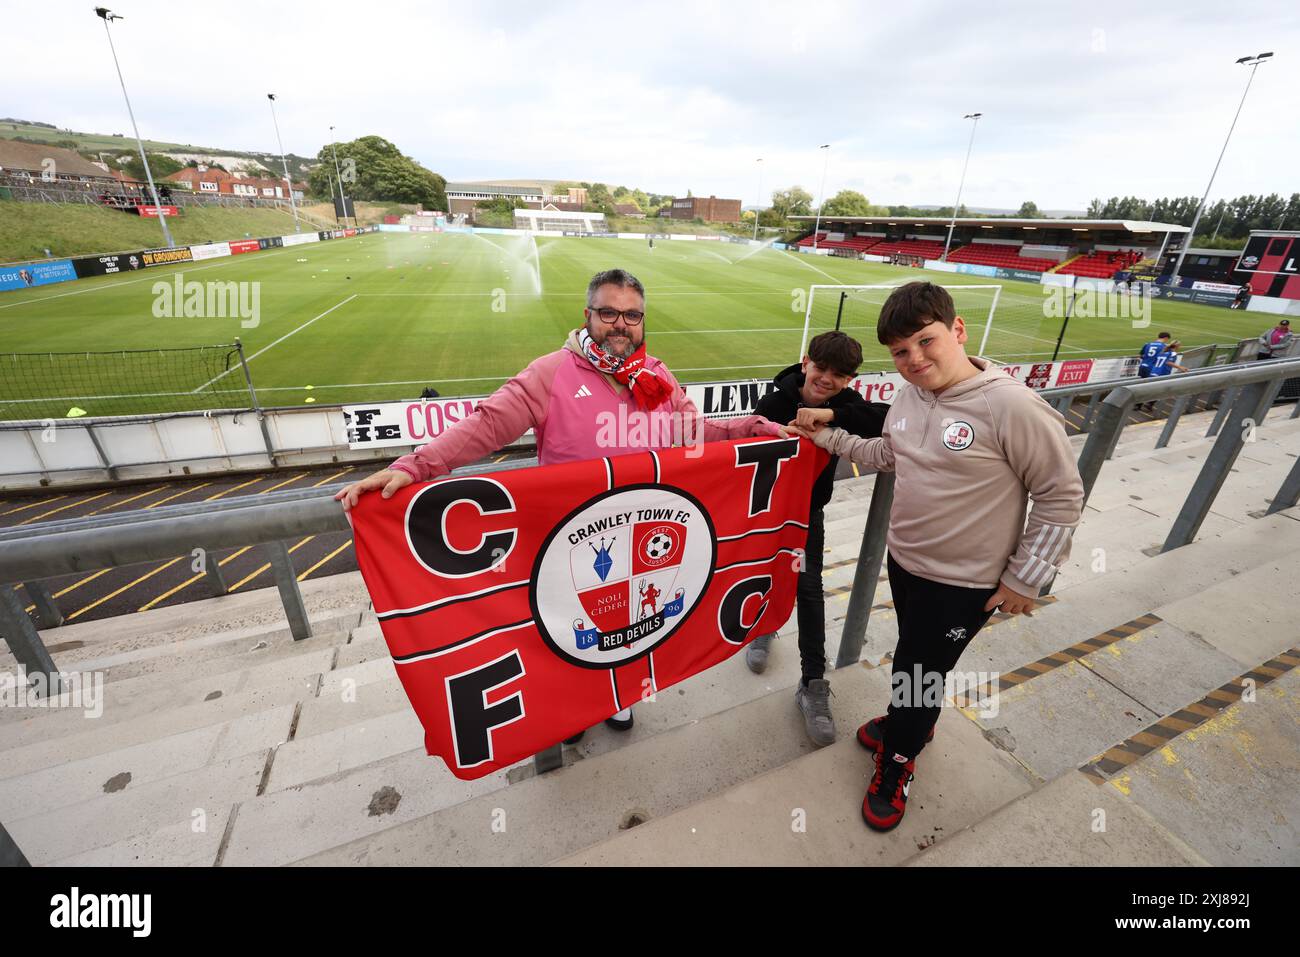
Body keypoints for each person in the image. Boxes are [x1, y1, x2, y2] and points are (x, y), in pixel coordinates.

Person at [336, 268, 784, 739]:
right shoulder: (551, 372)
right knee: (569, 633)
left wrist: (752, 429)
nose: (621, 325)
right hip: (570, 542)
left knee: (630, 628)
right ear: (588, 315)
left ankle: (619, 696)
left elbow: (695, 435)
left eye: (633, 315)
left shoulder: (657, 375)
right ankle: (574, 709)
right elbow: (485, 425)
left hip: (639, 537)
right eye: (609, 312)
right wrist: (415, 466)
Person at [786, 282, 1083, 832]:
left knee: (917, 672)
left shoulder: (1009, 404)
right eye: (901, 352)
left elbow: (1061, 494)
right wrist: (828, 433)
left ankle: (897, 763)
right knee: (913, 660)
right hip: (907, 564)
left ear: (958, 330)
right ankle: (909, 724)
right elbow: (887, 454)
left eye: (926, 342)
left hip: (966, 584)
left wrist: (1027, 579)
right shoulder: (910, 396)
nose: (915, 359)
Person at [745, 332, 888, 746]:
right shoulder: (774, 403)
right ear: (806, 362)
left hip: (808, 517)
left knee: (808, 590)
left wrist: (828, 416)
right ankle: (763, 628)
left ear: (849, 380)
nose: (827, 380)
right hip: (769, 514)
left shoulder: (847, 405)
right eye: (821, 369)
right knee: (767, 576)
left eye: (839, 376)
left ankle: (812, 683)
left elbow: (886, 417)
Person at [1137, 339, 1188, 413]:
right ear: (1177, 346)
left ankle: (1140, 404)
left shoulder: (1163, 352)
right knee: (1160, 390)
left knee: (1150, 388)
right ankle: (1149, 404)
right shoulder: (1173, 353)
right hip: (1162, 373)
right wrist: (1181, 367)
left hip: (1154, 371)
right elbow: (1168, 362)